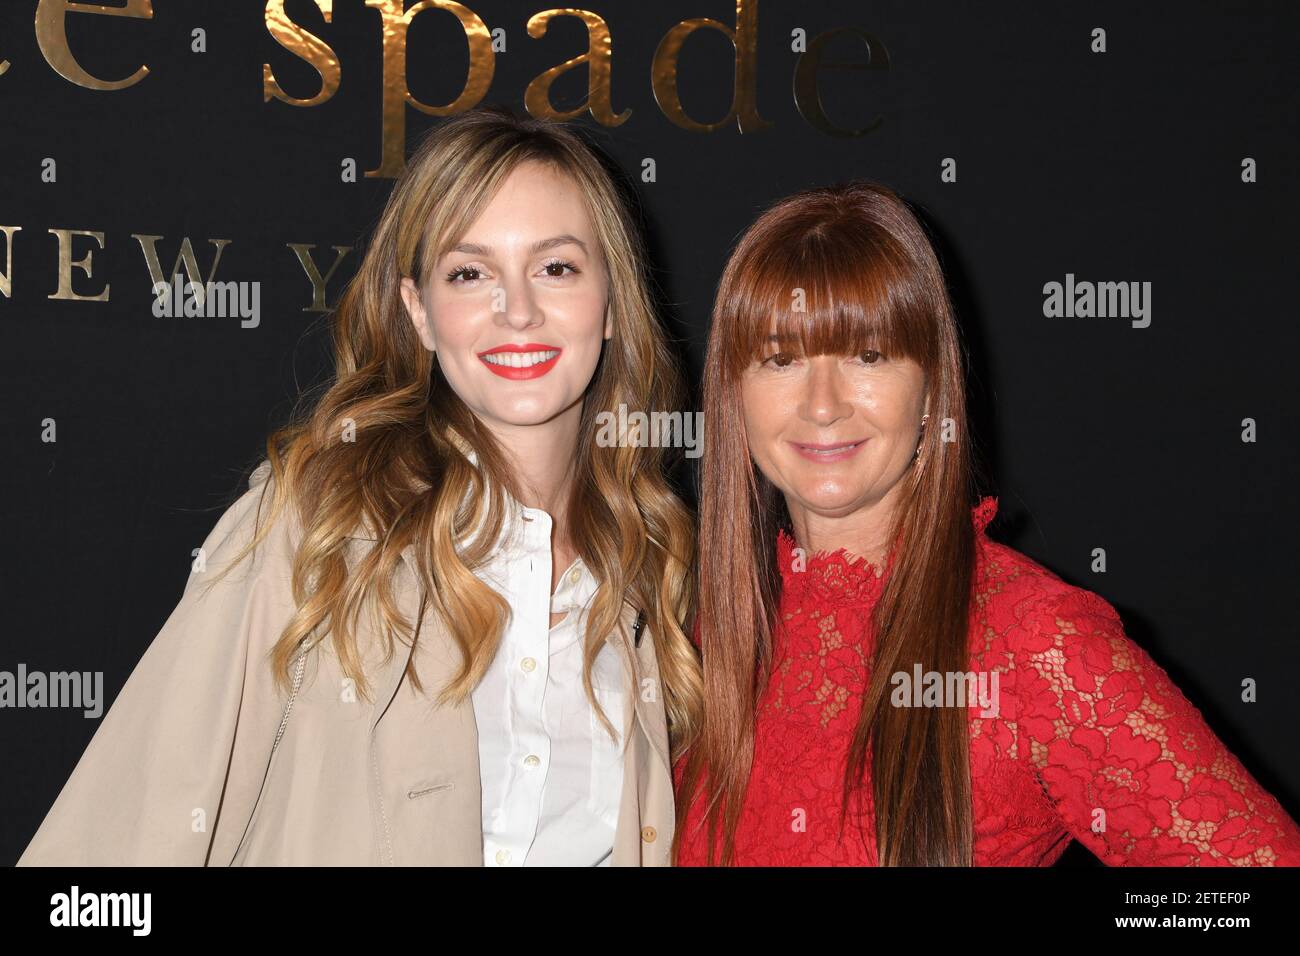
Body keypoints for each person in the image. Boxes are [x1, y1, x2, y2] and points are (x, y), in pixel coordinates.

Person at [19, 106, 697, 866]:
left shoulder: (645, 576)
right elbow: (114, 843)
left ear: (610, 302)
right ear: (419, 312)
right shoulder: (318, 526)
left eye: (557, 267)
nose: (518, 309)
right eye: (469, 273)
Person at [673, 180, 1300, 866]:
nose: (823, 405)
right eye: (781, 359)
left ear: (931, 388)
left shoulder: (1030, 638)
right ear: (734, 392)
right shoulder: (712, 629)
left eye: (869, 355)